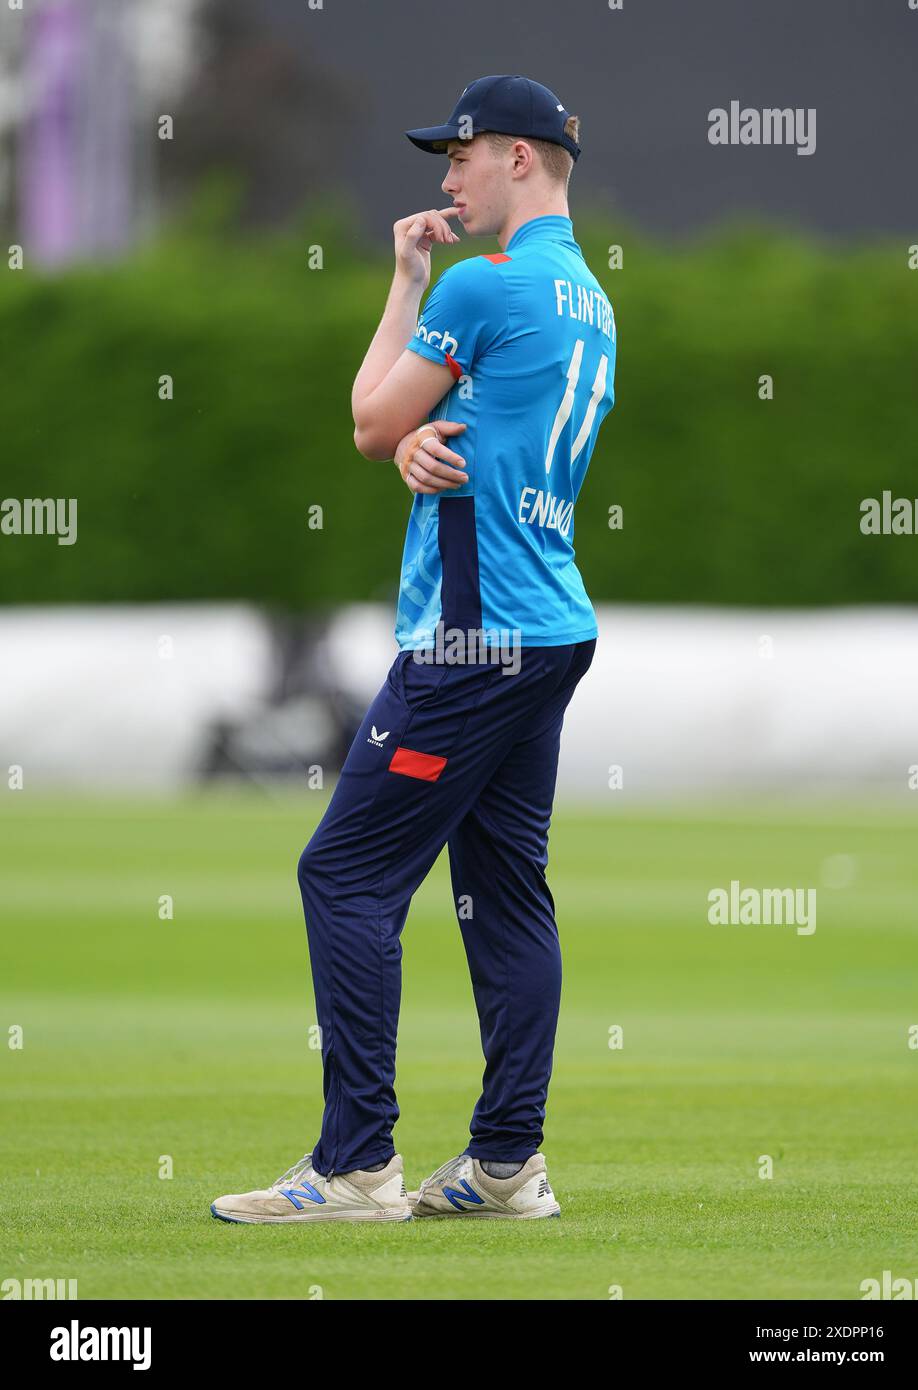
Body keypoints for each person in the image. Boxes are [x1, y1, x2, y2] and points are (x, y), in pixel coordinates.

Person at [211, 74, 617, 1225]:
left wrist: (407, 301)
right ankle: (504, 1166)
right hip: (548, 624)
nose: (446, 175)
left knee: (341, 873)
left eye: (464, 152)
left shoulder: (488, 288)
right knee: (504, 894)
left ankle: (355, 1169)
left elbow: (371, 419)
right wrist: (424, 436)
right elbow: (467, 436)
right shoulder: (588, 296)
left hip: (470, 636)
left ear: (523, 161)